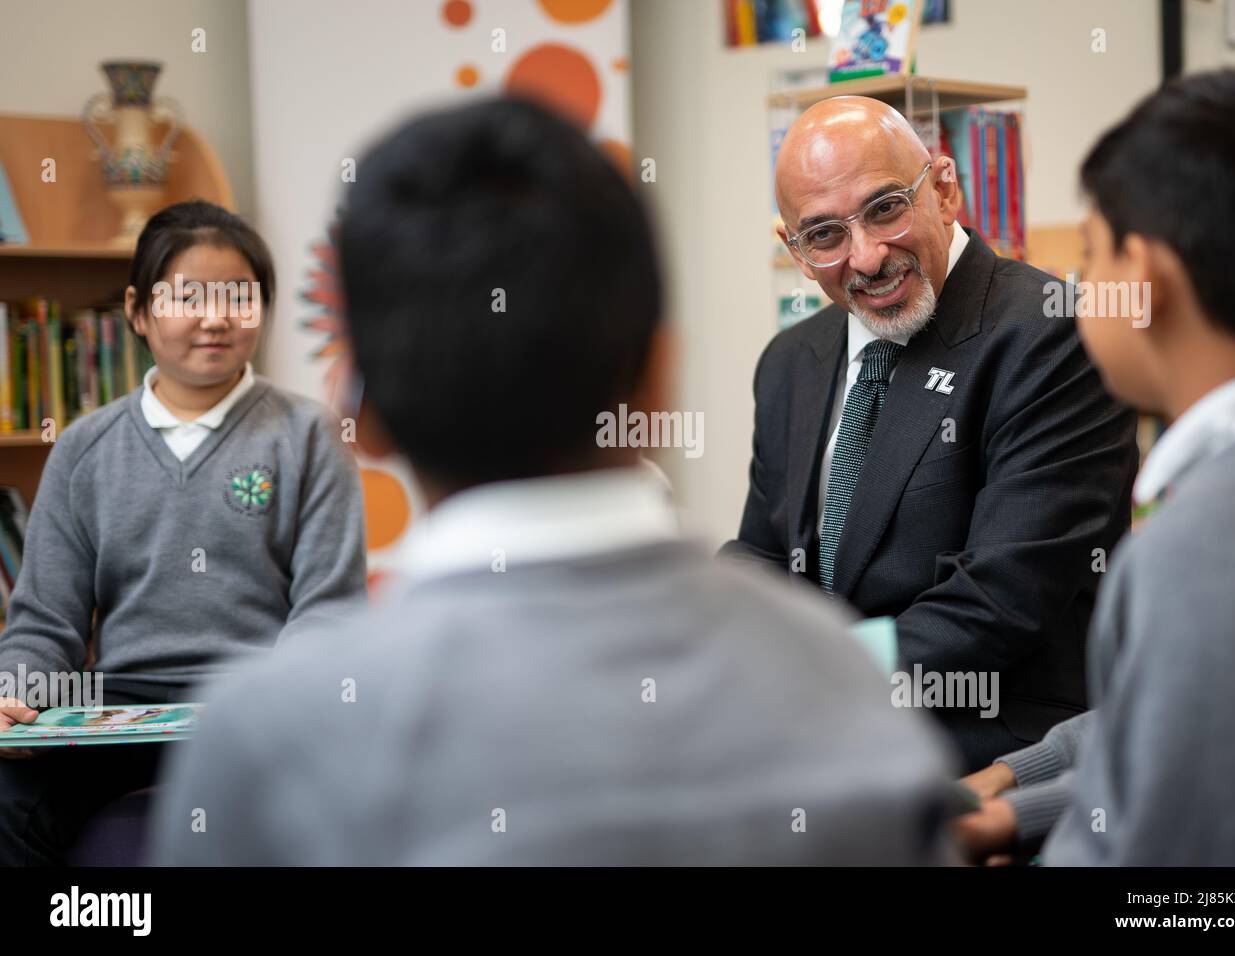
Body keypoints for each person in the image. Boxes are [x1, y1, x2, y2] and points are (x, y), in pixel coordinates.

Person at [149, 97, 958, 866]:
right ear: (659, 378)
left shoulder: (265, 744)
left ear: (360, 411)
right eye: (824, 232)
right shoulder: (846, 688)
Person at [722, 97, 1138, 771]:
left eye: (885, 208)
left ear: (945, 191)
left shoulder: (1051, 335)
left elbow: (1002, 600)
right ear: (795, 252)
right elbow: (765, 554)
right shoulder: (791, 361)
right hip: (833, 724)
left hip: (991, 740)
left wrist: (810, 677)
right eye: (825, 235)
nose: (866, 257)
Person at [954, 68, 1235, 865]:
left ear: (1141, 281)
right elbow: (1201, 736)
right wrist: (1019, 794)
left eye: (1089, 259)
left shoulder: (1210, 543)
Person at [0, 200, 367, 865]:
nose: (216, 317)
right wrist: (15, 692)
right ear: (138, 312)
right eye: (188, 296)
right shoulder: (84, 449)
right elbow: (43, 624)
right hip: (117, 714)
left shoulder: (309, 437)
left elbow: (329, 613)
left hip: (260, 703)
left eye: (238, 297)